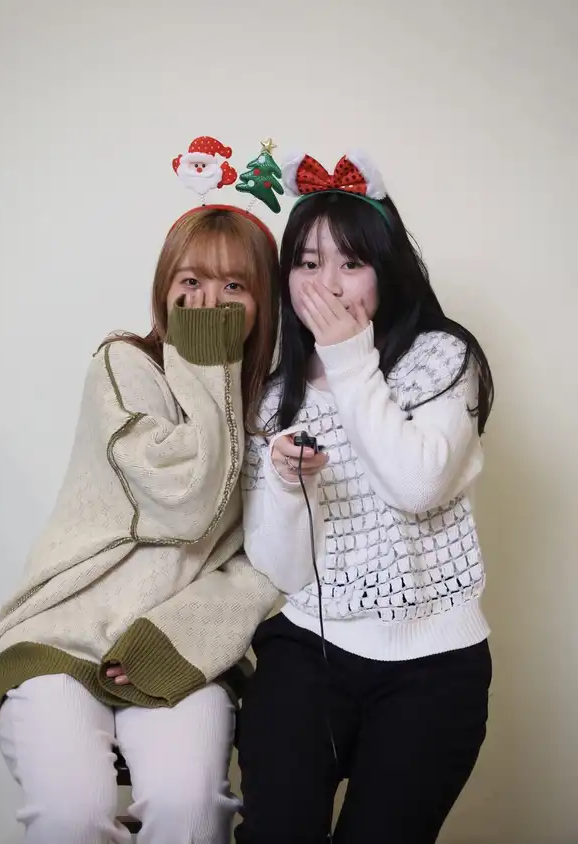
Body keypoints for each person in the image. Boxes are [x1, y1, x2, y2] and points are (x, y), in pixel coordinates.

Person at [0, 204, 281, 844]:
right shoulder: (122, 366)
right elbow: (184, 494)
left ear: (265, 302)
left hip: (180, 644)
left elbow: (270, 564)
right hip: (64, 631)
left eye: (234, 285)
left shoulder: (277, 408)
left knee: (190, 812)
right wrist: (207, 352)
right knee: (71, 815)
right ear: (163, 289)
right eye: (190, 281)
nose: (208, 303)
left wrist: (181, 636)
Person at [237, 150, 495, 844]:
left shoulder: (443, 359)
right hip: (307, 652)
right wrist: (287, 483)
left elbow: (417, 487)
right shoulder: (274, 394)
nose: (328, 284)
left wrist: (350, 358)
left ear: (387, 268)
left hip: (435, 667)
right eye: (308, 263)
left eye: (351, 263)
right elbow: (281, 569)